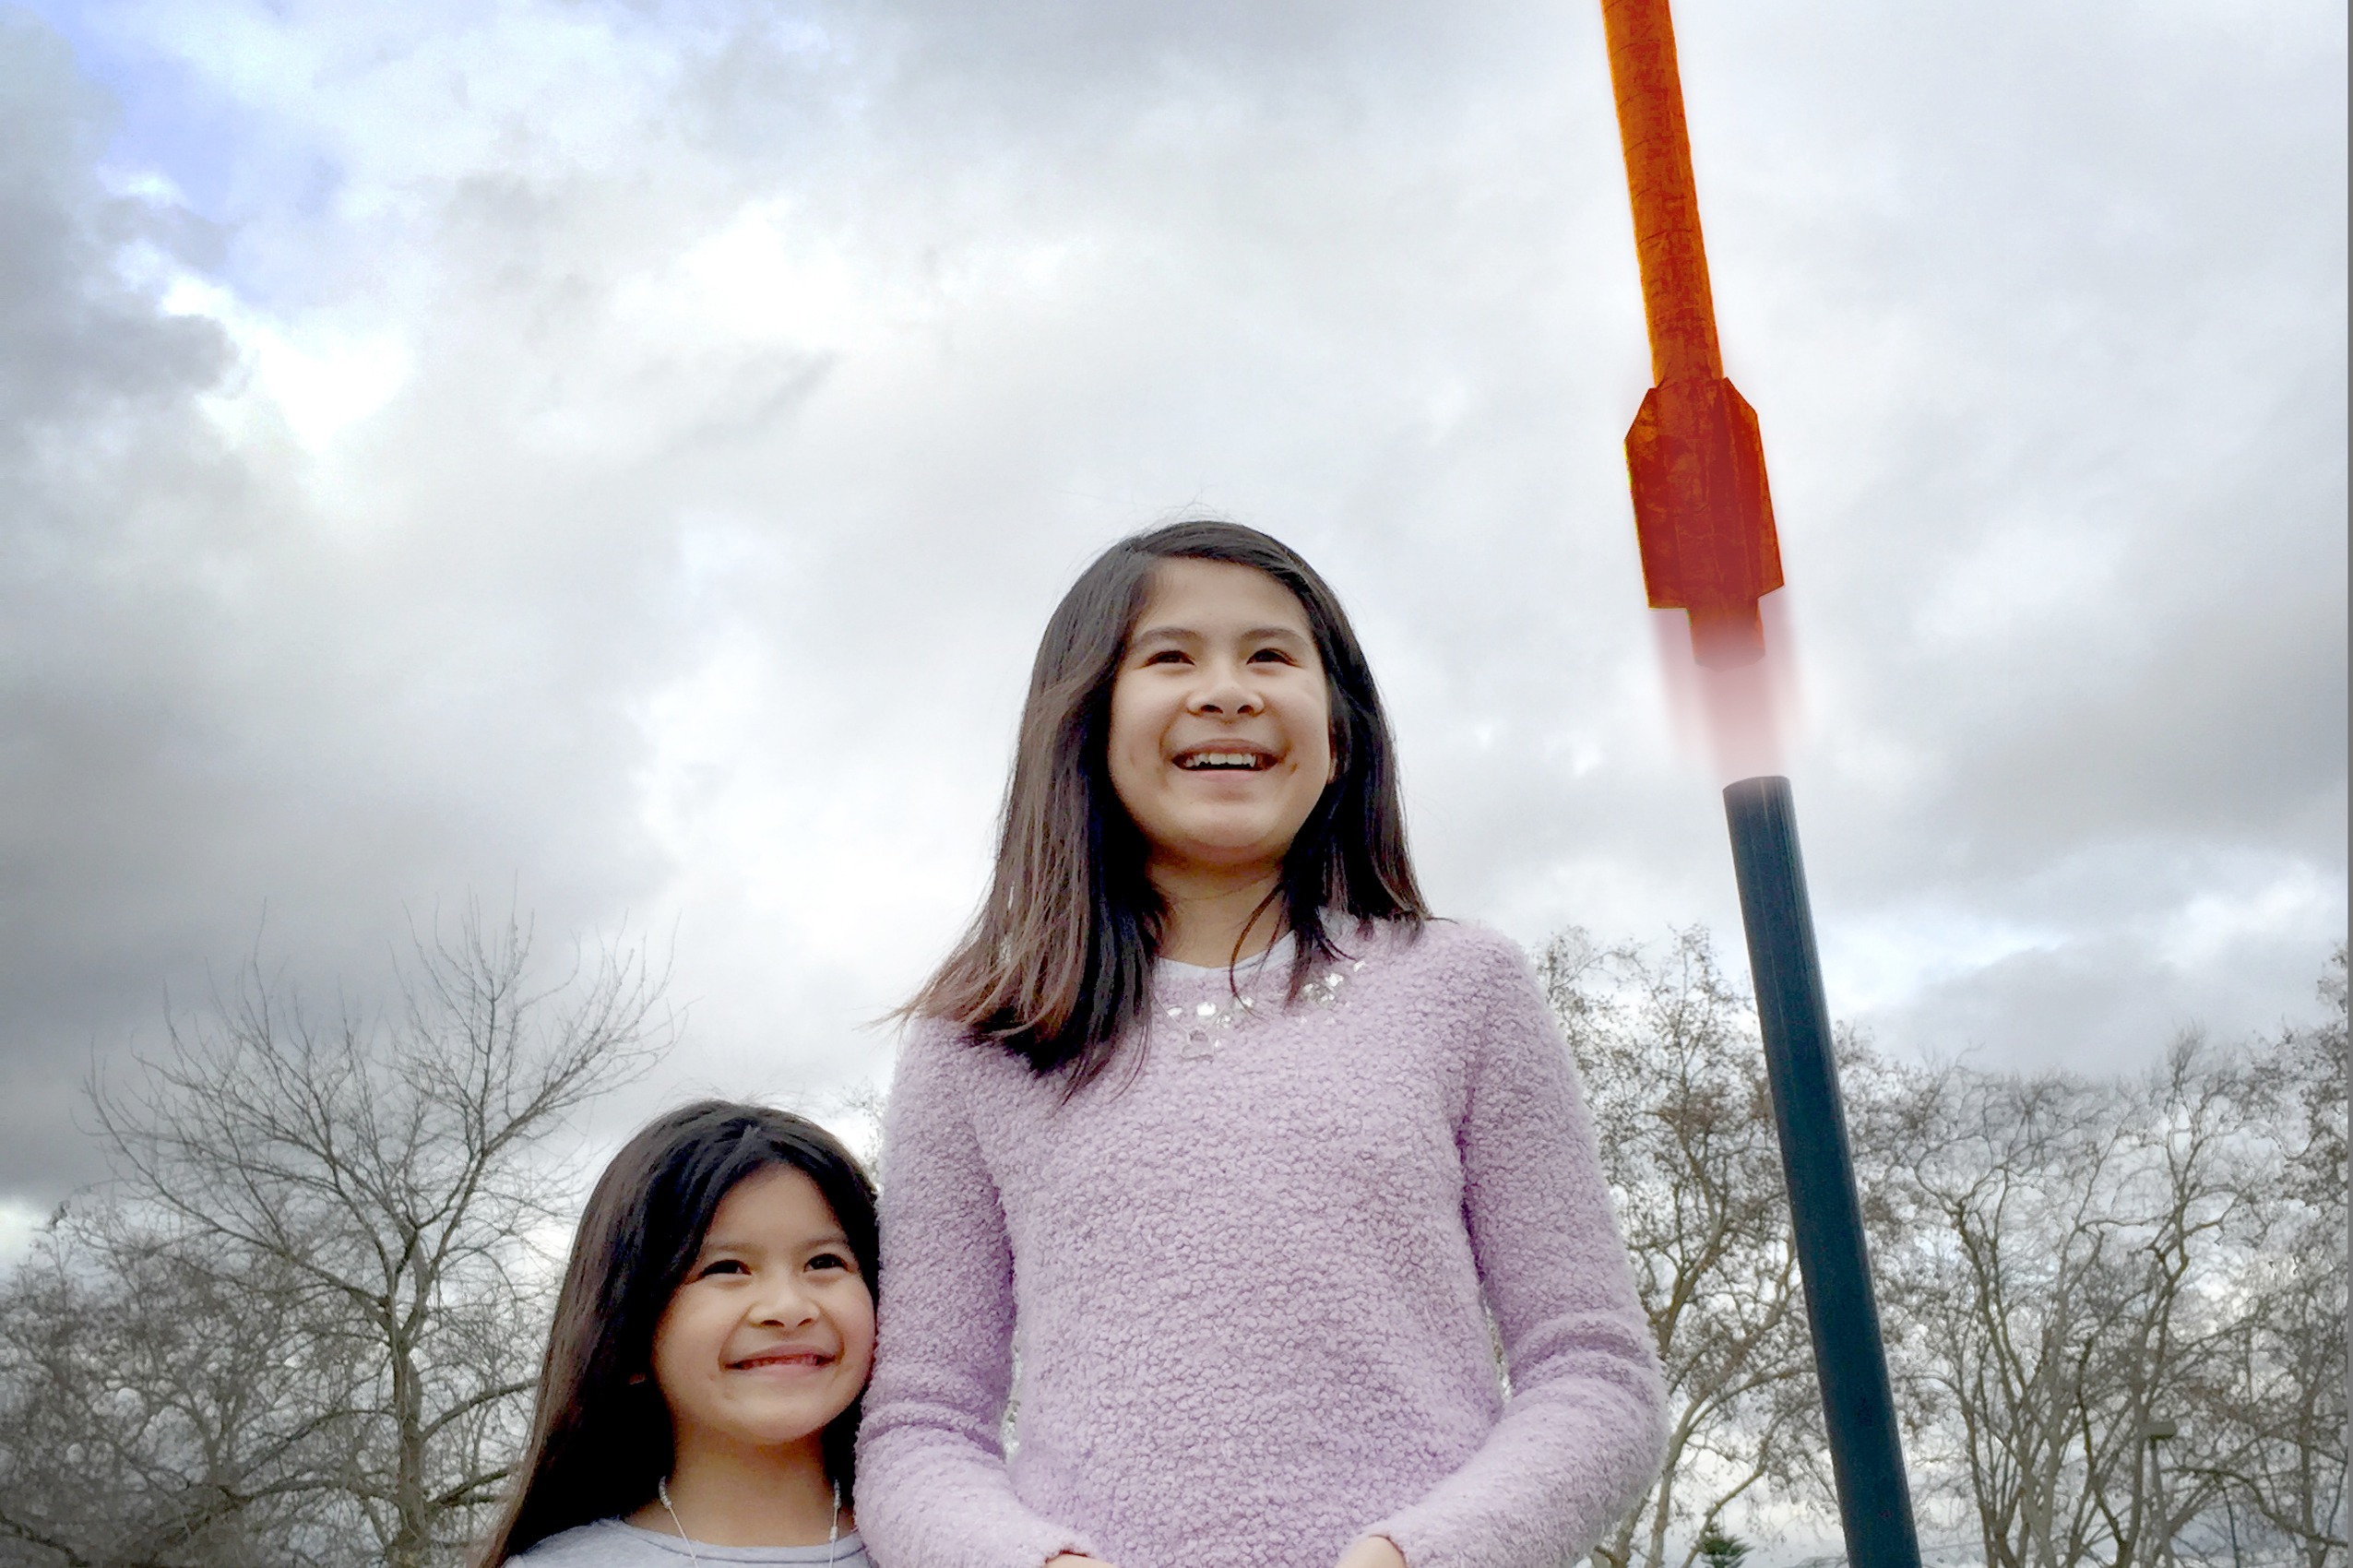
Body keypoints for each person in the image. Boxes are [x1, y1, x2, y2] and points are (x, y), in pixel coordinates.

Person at [859, 520, 1667, 1568]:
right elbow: (920, 1425)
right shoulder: (976, 1037)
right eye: (1169, 656)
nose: (1227, 688)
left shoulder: (1468, 989)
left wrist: (1421, 1556)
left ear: (1339, 734)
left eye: (1272, 655)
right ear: (1085, 720)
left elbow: (1595, 1371)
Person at [474, 1101, 881, 1567]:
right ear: (628, 1334)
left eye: (824, 1262)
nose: (787, 1308)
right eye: (726, 1268)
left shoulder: (948, 1544)